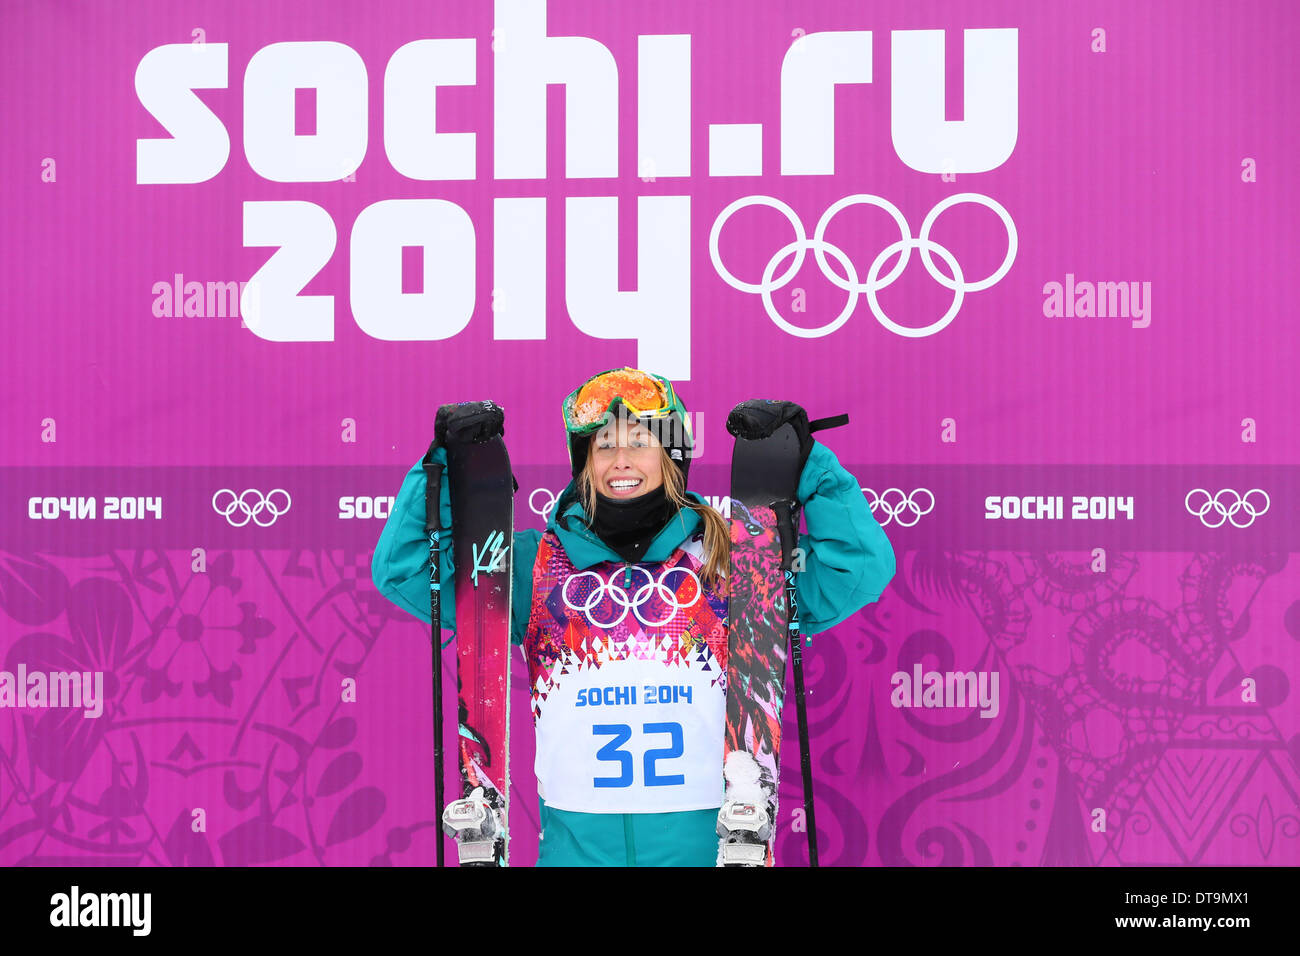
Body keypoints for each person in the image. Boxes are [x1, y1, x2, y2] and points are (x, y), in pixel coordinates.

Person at [371, 367, 895, 866]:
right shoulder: (533, 565)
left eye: (640, 442)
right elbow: (405, 569)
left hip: (712, 850)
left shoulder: (729, 561)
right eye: (603, 445)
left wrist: (804, 464)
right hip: (575, 855)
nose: (620, 459)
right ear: (585, 465)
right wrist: (444, 466)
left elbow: (859, 568)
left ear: (671, 459)